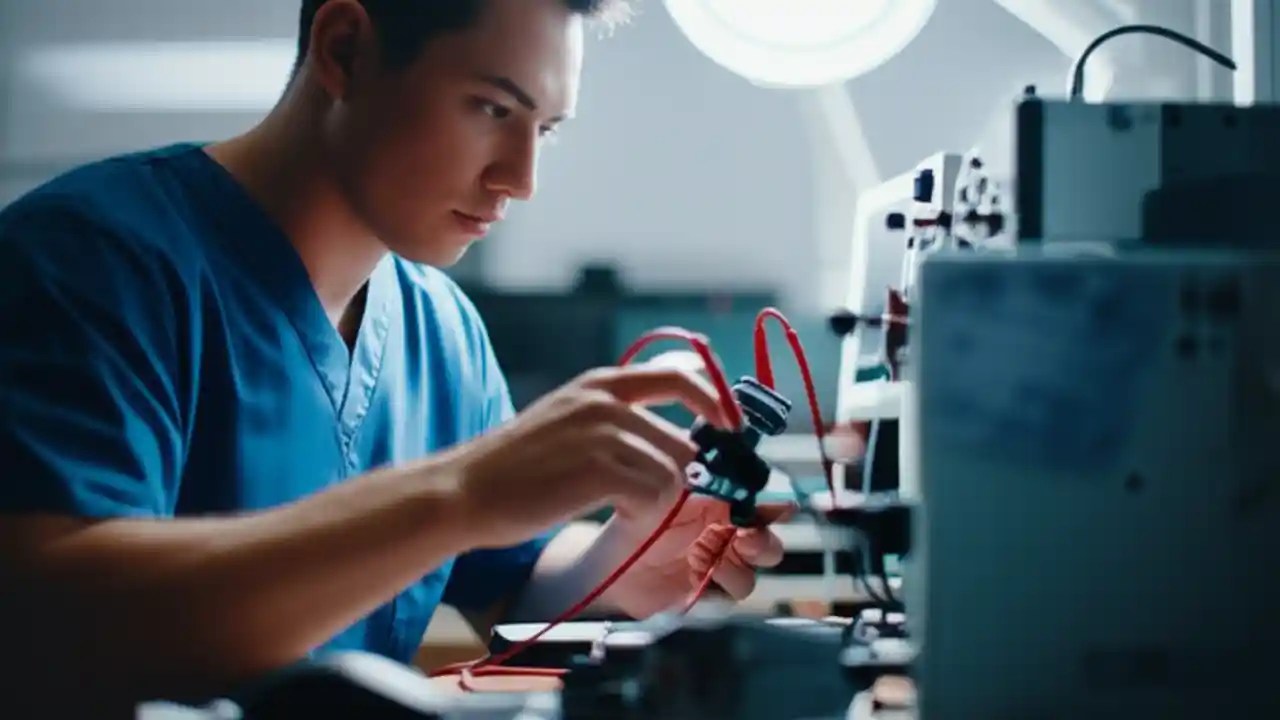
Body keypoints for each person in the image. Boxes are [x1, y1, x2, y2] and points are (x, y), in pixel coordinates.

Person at [0, 0, 790, 714]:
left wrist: (637, 555)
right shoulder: (89, 262)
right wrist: (457, 493)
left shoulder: (442, 330)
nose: (521, 179)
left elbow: (513, 582)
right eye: (491, 107)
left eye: (543, 129)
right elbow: (52, 624)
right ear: (344, 51)